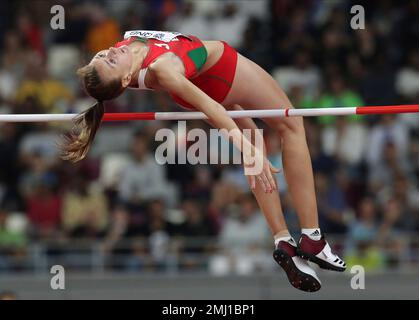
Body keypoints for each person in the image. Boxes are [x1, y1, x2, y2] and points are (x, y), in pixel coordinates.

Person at [64, 30, 346, 292]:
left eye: (102, 55)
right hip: (221, 71)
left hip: (196, 82)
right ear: (125, 80)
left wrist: (250, 145)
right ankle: (313, 238)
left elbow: (200, 96)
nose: (108, 54)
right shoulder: (161, 68)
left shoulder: (127, 45)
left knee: (254, 137)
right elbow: (210, 106)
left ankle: (283, 241)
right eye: (110, 62)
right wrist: (245, 149)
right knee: (291, 125)